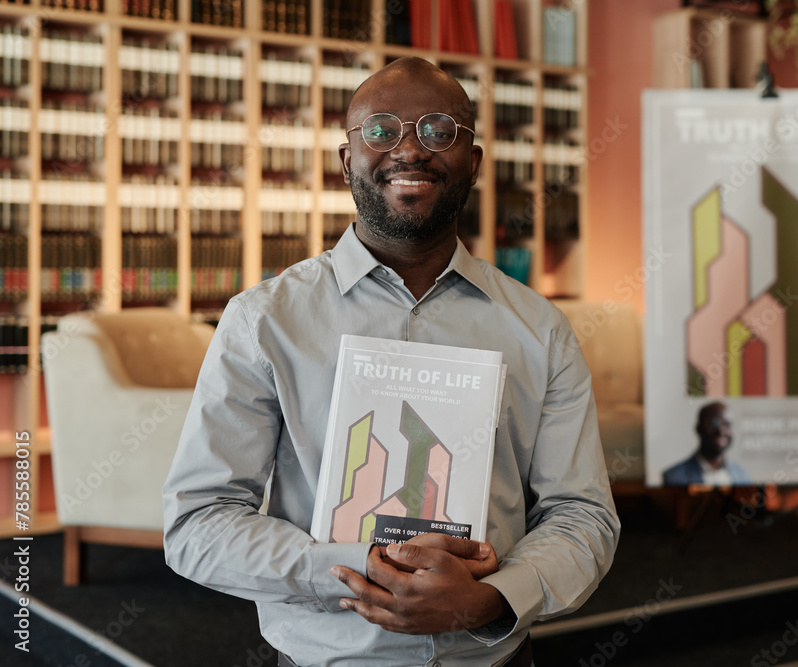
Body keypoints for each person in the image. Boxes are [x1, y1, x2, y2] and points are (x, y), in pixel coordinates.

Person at [162, 57, 619, 667]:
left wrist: (489, 599)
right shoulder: (263, 321)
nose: (411, 149)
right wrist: (353, 569)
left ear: (474, 163)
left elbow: (582, 515)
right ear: (347, 160)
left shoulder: (541, 330)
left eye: (440, 131)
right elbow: (199, 522)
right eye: (380, 130)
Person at [662, 401, 753, 486]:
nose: (721, 431)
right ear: (698, 429)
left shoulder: (743, 476)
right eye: (714, 424)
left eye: (726, 424)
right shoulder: (674, 477)